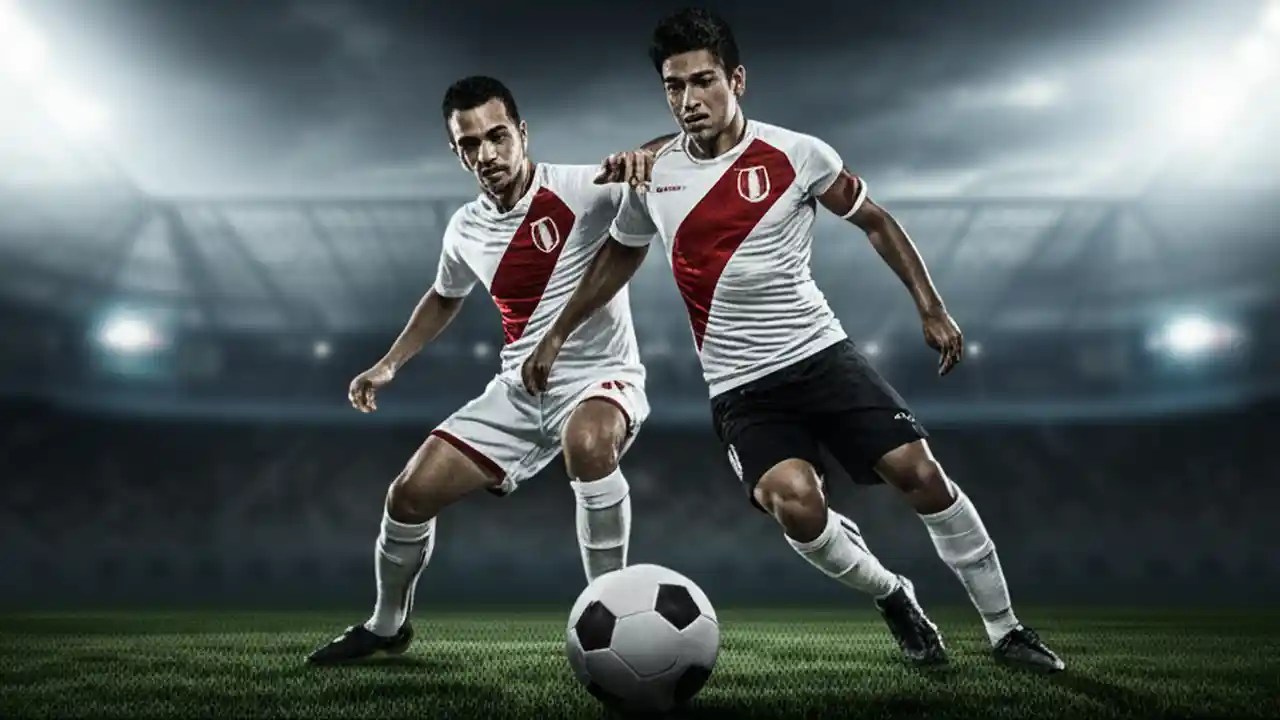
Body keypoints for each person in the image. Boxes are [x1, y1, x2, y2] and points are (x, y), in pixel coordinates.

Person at [523, 9, 1064, 672]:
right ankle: (894, 595)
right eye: (674, 87)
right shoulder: (653, 172)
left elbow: (876, 220)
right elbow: (618, 256)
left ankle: (1006, 629)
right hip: (742, 388)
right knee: (797, 507)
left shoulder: (798, 153)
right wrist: (553, 336)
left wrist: (932, 307)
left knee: (920, 475)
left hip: (822, 356)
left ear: (737, 79)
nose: (689, 100)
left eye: (704, 81)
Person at [308, 76, 667, 664]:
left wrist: (642, 155)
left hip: (603, 375)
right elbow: (444, 296)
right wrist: (388, 365)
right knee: (408, 494)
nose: (487, 154)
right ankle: (386, 626)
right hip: (520, 389)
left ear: (522, 133)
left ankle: (612, 613)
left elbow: (669, 151)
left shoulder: (583, 188)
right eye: (470, 144)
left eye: (498, 136)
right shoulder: (466, 228)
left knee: (589, 442)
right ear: (457, 152)